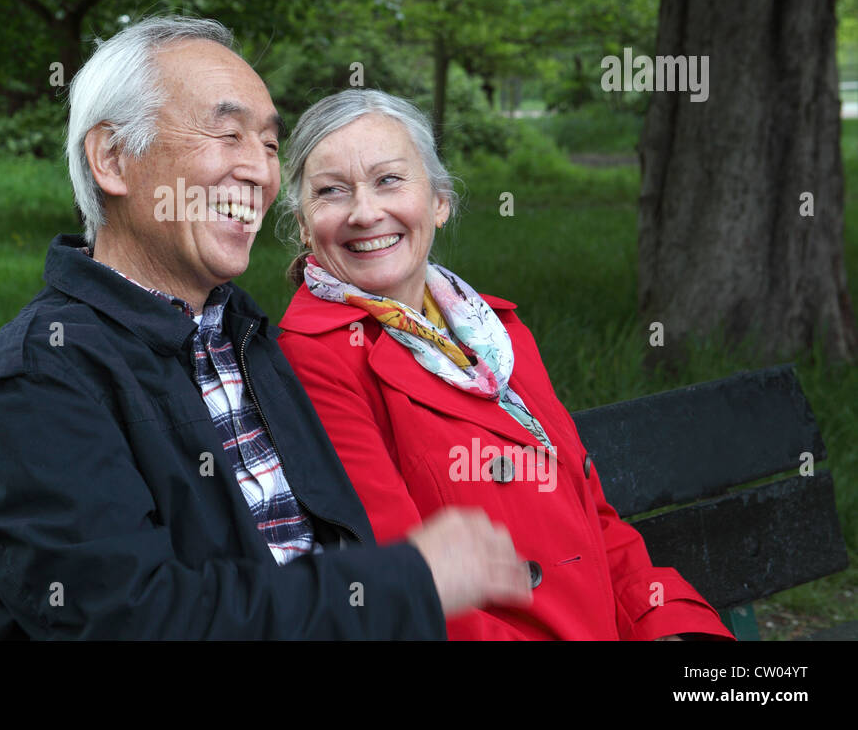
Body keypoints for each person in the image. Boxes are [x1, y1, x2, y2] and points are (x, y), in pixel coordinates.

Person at [0, 17, 533, 638]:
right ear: (114, 159)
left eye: (271, 145)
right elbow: (136, 622)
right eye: (227, 134)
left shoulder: (245, 339)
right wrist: (406, 585)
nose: (261, 172)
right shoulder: (42, 374)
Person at [275, 88, 734, 640]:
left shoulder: (493, 332)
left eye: (389, 180)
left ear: (439, 201)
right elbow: (407, 587)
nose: (366, 212)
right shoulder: (315, 359)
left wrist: (672, 627)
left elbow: (595, 520)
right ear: (303, 223)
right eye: (331, 192)